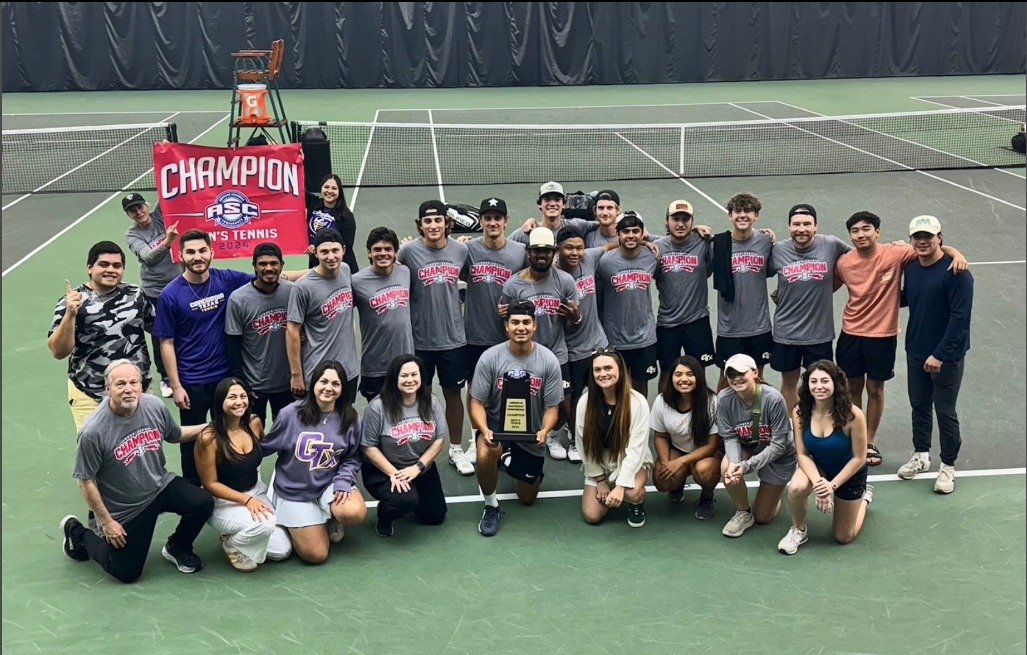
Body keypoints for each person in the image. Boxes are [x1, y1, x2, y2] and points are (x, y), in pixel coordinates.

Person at [59, 360, 212, 583]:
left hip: (160, 486)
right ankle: (77, 533)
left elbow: (175, 434)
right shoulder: (93, 432)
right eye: (121, 384)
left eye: (134, 382)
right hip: (127, 508)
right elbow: (86, 481)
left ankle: (177, 546)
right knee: (126, 572)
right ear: (107, 389)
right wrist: (108, 522)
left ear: (141, 385)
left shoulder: (154, 406)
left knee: (203, 502)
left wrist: (212, 428)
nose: (128, 389)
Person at [835, 211, 968, 467]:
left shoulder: (897, 253)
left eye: (866, 229)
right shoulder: (844, 263)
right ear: (850, 235)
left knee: (875, 389)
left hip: (882, 336)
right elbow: (825, 285)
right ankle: (855, 439)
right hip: (850, 333)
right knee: (852, 389)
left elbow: (932, 248)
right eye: (855, 231)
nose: (861, 234)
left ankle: (870, 441)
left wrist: (957, 254)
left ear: (878, 232)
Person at [156, 229, 256, 484]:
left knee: (229, 431)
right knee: (193, 438)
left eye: (202, 250)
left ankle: (226, 481)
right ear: (180, 255)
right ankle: (194, 486)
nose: (197, 256)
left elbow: (269, 278)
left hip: (225, 379)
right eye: (190, 252)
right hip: (192, 383)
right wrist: (176, 386)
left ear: (212, 252)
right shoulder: (170, 295)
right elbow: (166, 343)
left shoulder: (227, 280)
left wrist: (313, 272)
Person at [470, 301, 563, 537]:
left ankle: (510, 458)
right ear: (506, 327)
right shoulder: (490, 358)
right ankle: (491, 505)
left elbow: (553, 407)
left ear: (535, 327)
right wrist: (484, 429)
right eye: (515, 323)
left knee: (527, 498)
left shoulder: (548, 360)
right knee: (485, 452)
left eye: (525, 323)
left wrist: (545, 430)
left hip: (530, 431)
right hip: (496, 426)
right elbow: (477, 402)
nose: (520, 327)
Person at [260, 360, 367, 565]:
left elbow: (352, 456)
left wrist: (343, 482)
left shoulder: (350, 418)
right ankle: (296, 522)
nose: (329, 388)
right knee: (317, 555)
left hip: (328, 485)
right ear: (313, 384)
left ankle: (330, 517)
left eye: (335, 384)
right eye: (323, 381)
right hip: (295, 493)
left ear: (343, 388)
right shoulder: (290, 415)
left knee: (353, 512)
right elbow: (265, 448)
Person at [896, 216, 974, 494]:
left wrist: (939, 355)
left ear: (940, 237)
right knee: (919, 405)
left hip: (946, 357)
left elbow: (960, 319)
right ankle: (921, 455)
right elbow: (910, 298)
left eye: (928, 236)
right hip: (916, 350)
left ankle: (948, 466)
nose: (922, 241)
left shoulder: (957, 273)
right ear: (911, 240)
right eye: (917, 237)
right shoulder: (913, 268)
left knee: (944, 410)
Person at [397, 200, 474, 476]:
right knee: (421, 396)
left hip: (454, 338)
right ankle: (421, 449)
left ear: (446, 224)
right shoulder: (408, 252)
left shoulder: (461, 250)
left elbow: (471, 276)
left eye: (438, 221)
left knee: (454, 394)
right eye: (427, 222)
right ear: (420, 226)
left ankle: (455, 448)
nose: (433, 226)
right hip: (420, 340)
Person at [49, 241, 155, 432]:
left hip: (136, 390)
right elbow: (58, 351)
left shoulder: (135, 294)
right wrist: (70, 314)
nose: (111, 270)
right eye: (104, 265)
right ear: (90, 268)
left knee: (142, 449)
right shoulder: (72, 302)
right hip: (90, 393)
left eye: (117, 266)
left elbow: (158, 328)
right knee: (97, 455)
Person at [195, 377, 293, 571]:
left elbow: (264, 449)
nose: (239, 402)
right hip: (223, 502)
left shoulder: (254, 423)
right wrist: (247, 501)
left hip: (256, 492)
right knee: (266, 525)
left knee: (282, 551)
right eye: (232, 397)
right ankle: (230, 545)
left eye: (243, 396)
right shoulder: (208, 438)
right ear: (220, 402)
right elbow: (210, 484)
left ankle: (235, 534)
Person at [499, 226, 580, 461]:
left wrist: (575, 318)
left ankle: (552, 434)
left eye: (546, 251)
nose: (541, 255)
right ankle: (518, 446)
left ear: (554, 252)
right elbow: (507, 325)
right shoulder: (513, 285)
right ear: (529, 253)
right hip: (524, 356)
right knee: (520, 406)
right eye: (537, 251)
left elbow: (575, 323)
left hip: (557, 354)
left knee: (564, 406)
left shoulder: (565, 281)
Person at [778, 360, 873, 555]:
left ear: (836, 384)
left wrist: (832, 486)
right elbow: (803, 453)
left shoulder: (853, 415)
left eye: (824, 381)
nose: (818, 386)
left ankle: (864, 499)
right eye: (813, 381)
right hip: (818, 466)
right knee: (796, 488)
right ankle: (799, 529)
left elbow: (859, 458)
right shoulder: (800, 411)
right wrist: (820, 484)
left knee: (843, 537)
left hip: (849, 473)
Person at [463, 197, 529, 457]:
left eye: (497, 218)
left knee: (511, 388)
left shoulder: (519, 252)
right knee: (475, 390)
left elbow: (528, 287)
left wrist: (513, 309)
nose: (493, 222)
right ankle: (477, 436)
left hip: (508, 337)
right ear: (481, 222)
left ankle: (508, 439)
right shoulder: (467, 250)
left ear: (506, 222)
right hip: (474, 335)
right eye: (487, 218)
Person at [769, 204, 850, 412]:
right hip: (786, 333)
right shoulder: (777, 250)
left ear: (816, 226)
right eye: (796, 224)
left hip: (819, 334)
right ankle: (791, 428)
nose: (801, 229)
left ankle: (819, 425)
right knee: (789, 384)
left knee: (821, 384)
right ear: (789, 227)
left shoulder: (831, 245)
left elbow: (861, 258)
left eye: (807, 224)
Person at [361, 355, 449, 537]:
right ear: (394, 379)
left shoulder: (431, 402)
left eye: (414, 375)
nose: (410, 380)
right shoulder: (378, 406)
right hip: (385, 470)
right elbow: (368, 447)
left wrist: (418, 468)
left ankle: (411, 497)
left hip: (418, 467)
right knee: (404, 501)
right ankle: (385, 515)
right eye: (404, 376)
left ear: (421, 377)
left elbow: (439, 440)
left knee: (435, 516)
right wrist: (394, 474)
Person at [718, 353, 797, 538]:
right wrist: (735, 464)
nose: (736, 378)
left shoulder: (773, 399)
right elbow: (729, 436)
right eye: (731, 374)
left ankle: (776, 491)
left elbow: (779, 444)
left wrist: (747, 466)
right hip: (748, 446)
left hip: (778, 455)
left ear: (755, 372)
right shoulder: (724, 399)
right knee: (726, 468)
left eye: (741, 373)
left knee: (763, 517)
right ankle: (744, 512)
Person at [575, 348, 654, 528]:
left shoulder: (638, 402)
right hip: (600, 461)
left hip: (629, 459)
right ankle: (610, 490)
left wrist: (620, 486)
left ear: (621, 370)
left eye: (608, 368)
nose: (603, 374)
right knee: (592, 515)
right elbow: (584, 446)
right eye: (598, 370)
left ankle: (634, 503)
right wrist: (601, 481)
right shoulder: (585, 403)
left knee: (632, 493)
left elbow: (636, 449)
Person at [555, 225, 610, 463]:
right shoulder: (554, 277)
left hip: (598, 343)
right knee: (572, 400)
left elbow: (612, 244)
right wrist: (574, 318)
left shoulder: (590, 257)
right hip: (571, 349)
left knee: (600, 392)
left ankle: (590, 432)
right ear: (559, 249)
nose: (575, 253)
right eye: (569, 248)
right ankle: (572, 438)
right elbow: (567, 325)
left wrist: (648, 240)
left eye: (579, 247)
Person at [287, 228, 360, 406]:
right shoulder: (303, 288)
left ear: (343, 250)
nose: (331, 257)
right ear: (316, 253)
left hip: (348, 371)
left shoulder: (345, 269)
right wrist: (297, 375)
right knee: (317, 427)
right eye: (324, 252)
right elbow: (292, 330)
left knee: (344, 425)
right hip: (318, 373)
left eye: (335, 251)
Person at [225, 243, 295, 425]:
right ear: (254, 266)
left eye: (274, 263)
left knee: (288, 439)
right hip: (255, 386)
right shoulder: (238, 299)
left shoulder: (293, 292)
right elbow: (232, 345)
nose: (269, 268)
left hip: (288, 383)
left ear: (282, 265)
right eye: (263, 264)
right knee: (251, 439)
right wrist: (242, 384)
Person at [711, 193, 774, 390]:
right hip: (730, 328)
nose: (742, 215)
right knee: (726, 378)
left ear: (756, 215)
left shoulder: (766, 242)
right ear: (730, 215)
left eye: (748, 211)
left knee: (757, 377)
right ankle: (721, 418)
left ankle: (755, 420)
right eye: (737, 211)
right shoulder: (718, 244)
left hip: (759, 327)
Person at [123, 192, 182, 397]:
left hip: (180, 282)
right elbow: (148, 258)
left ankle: (184, 367)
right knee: (161, 333)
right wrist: (168, 242)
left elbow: (168, 191)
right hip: (155, 291)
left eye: (140, 207)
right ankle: (166, 377)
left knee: (186, 325)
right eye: (133, 210)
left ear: (147, 206)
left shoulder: (159, 216)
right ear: (129, 215)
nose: (138, 212)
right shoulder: (132, 235)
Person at [654, 200, 716, 391]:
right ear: (667, 222)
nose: (680, 224)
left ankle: (700, 414)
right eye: (675, 219)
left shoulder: (704, 243)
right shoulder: (656, 248)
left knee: (697, 371)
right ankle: (664, 413)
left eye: (685, 219)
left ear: (692, 222)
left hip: (697, 321)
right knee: (667, 372)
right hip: (667, 323)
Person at [651, 355, 721, 520]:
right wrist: (667, 463)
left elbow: (712, 445)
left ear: (699, 377)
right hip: (678, 448)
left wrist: (680, 462)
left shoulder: (712, 401)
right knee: (662, 480)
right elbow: (660, 436)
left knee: (703, 470)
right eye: (678, 374)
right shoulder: (662, 401)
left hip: (707, 454)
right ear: (672, 378)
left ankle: (707, 496)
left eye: (690, 374)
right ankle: (678, 483)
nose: (684, 379)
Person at [596, 213, 659, 397]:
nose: (630, 235)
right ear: (618, 234)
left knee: (641, 387)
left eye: (635, 231)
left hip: (644, 337)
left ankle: (639, 422)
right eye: (626, 231)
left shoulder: (652, 256)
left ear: (642, 234)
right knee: (616, 387)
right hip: (615, 338)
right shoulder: (605, 261)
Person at [351, 227, 415, 401]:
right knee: (377, 420)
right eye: (377, 250)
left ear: (395, 253)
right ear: (369, 253)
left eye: (388, 249)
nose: (383, 254)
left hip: (405, 363)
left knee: (404, 420)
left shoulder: (405, 272)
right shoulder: (356, 281)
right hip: (375, 366)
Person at [511, 181, 600, 245]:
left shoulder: (575, 225)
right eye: (547, 199)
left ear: (564, 204)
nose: (553, 204)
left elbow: (602, 223)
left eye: (557, 199)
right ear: (539, 205)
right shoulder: (527, 231)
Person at [305, 173, 359, 273]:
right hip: (316, 263)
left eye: (334, 188)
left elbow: (347, 244)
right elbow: (297, 189)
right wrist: (297, 159)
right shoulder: (314, 203)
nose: (329, 191)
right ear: (321, 188)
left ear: (339, 192)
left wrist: (318, 247)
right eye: (326, 187)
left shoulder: (346, 216)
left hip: (338, 266)